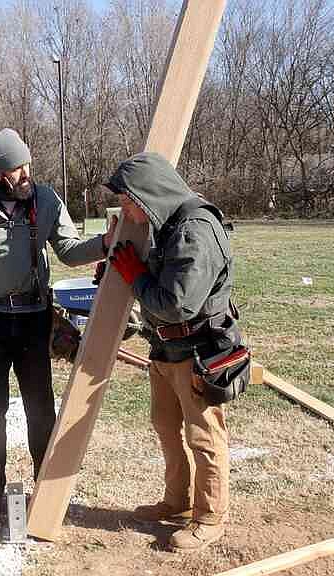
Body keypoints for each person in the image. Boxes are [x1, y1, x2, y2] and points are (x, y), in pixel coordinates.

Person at [0, 128, 114, 523]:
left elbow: (69, 250)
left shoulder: (47, 199)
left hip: (35, 319)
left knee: (40, 408)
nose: (25, 175)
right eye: (16, 170)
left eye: (26, 166)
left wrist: (105, 243)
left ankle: (45, 486)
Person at [105, 152, 243, 552]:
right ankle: (177, 501)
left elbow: (176, 303)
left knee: (204, 436)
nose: (126, 209)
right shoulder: (167, 225)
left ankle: (210, 517)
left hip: (198, 349)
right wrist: (123, 269)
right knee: (166, 427)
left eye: (129, 200)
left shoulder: (196, 230)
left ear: (148, 193)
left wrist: (135, 277)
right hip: (167, 349)